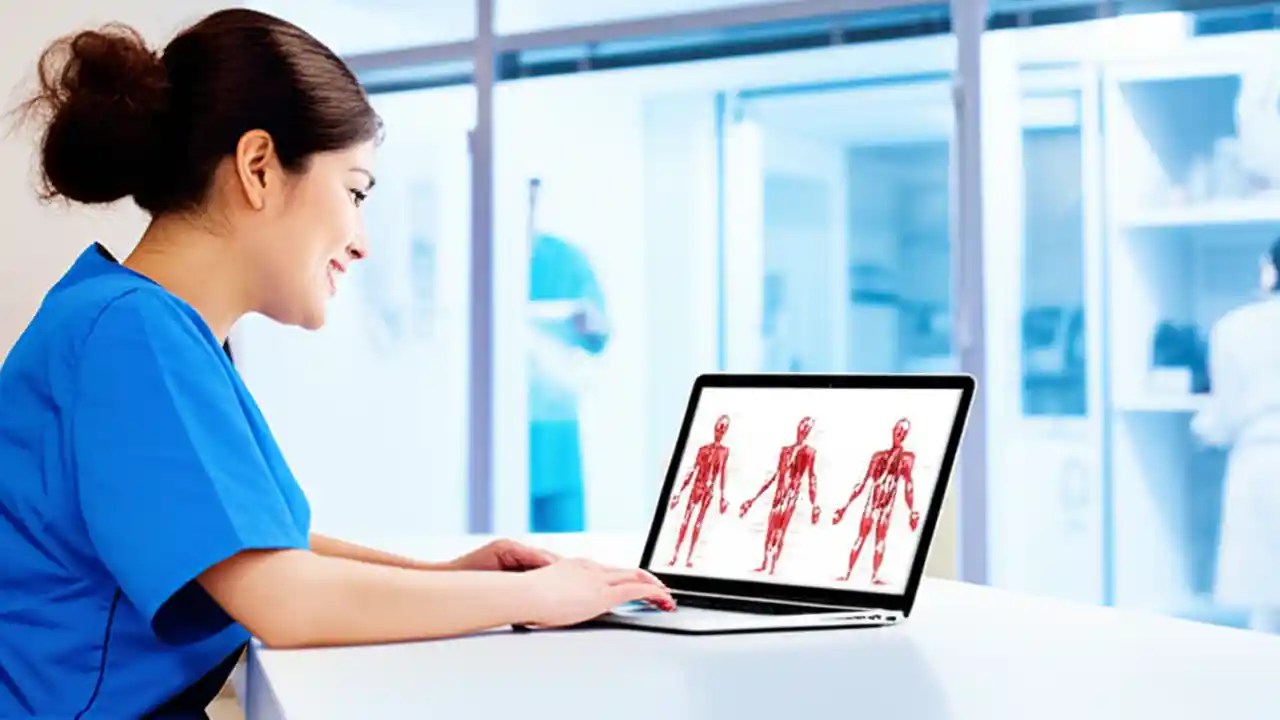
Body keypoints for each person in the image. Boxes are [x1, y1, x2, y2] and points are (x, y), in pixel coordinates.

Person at [0, 11, 671, 718]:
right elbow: (282, 598)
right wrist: (534, 596)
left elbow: (241, 542)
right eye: (354, 192)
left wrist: (442, 577)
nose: (362, 243)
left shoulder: (134, 323)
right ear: (258, 168)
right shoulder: (130, 334)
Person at [1192, 236, 1280, 634]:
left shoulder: (1235, 327)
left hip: (1260, 465)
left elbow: (1221, 419)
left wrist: (1201, 428)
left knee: (1265, 606)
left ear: (1269, 270)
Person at [525, 178, 611, 532]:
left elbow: (599, 333)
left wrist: (591, 324)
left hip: (553, 423)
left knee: (561, 539)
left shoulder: (563, 260)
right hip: (495, 423)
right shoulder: (473, 258)